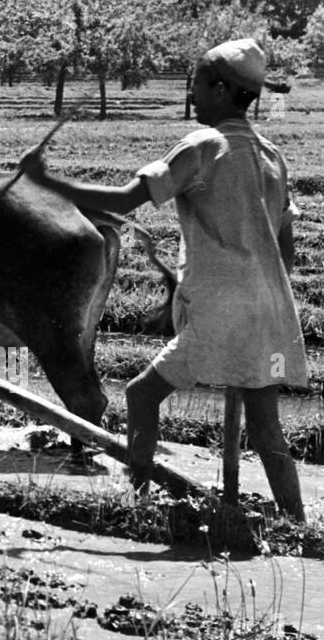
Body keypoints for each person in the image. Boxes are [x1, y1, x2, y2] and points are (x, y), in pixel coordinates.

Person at [18, 38, 306, 520]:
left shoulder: (200, 147)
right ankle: (299, 525)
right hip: (273, 310)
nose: (191, 93)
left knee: (140, 395)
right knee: (266, 428)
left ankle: (136, 499)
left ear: (218, 89)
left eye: (196, 82)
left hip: (222, 311)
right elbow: (289, 251)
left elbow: (128, 199)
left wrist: (44, 183)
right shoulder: (271, 153)